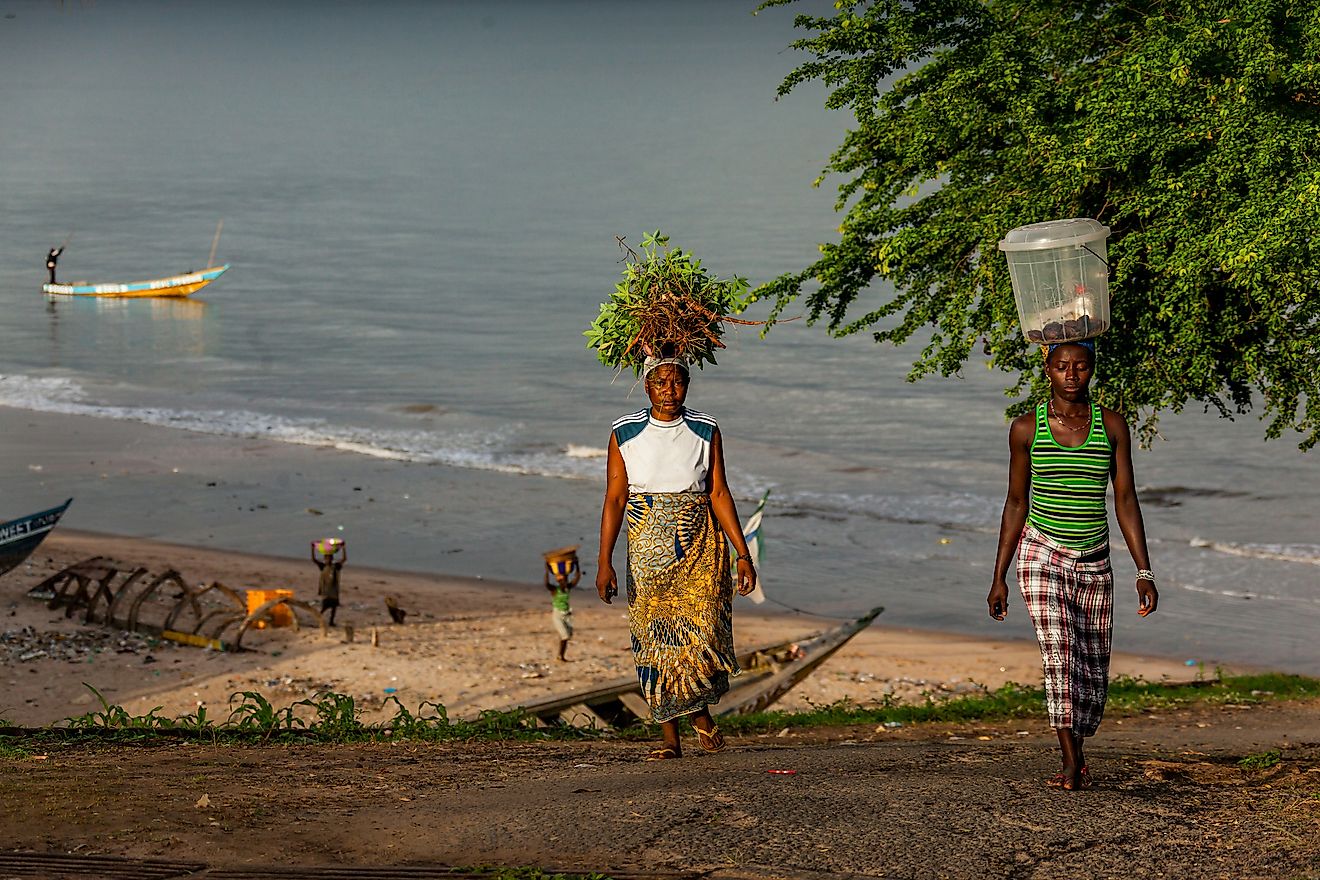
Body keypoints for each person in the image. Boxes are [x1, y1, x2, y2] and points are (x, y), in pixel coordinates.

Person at [988, 339, 1158, 791]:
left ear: (1092, 371)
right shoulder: (1026, 428)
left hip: (1095, 560)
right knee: (1060, 657)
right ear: (1047, 369)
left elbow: (1124, 499)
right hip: (1040, 552)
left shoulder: (1113, 426)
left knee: (1092, 667)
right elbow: (1016, 501)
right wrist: (998, 576)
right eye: (1062, 366)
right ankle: (1070, 760)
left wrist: (1144, 570)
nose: (1071, 374)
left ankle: (1077, 746)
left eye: (1080, 367)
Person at [596, 357, 757, 761]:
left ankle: (698, 712)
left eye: (678, 382)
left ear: (688, 386)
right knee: (655, 642)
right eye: (661, 382)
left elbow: (719, 493)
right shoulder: (624, 431)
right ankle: (673, 738)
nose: (670, 390)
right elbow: (615, 498)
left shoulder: (705, 429)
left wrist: (743, 553)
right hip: (647, 544)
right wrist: (605, 560)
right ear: (646, 386)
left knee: (701, 636)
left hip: (699, 543)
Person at [543, 553, 580, 662]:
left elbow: (577, 577)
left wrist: (577, 564)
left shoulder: (568, 587)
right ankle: (560, 656)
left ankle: (561, 656)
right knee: (565, 636)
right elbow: (546, 583)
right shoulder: (555, 590)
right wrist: (546, 569)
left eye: (564, 578)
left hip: (567, 614)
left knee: (566, 636)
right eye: (560, 578)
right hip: (558, 614)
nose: (562, 579)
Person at [311, 540, 346, 626]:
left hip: (333, 590)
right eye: (326, 558)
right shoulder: (323, 566)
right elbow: (313, 559)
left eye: (329, 558)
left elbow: (344, 559)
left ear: (332, 559)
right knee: (324, 607)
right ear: (324, 559)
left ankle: (331, 621)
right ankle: (318, 620)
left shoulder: (336, 566)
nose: (328, 560)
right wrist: (312, 549)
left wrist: (343, 548)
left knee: (334, 607)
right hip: (326, 590)